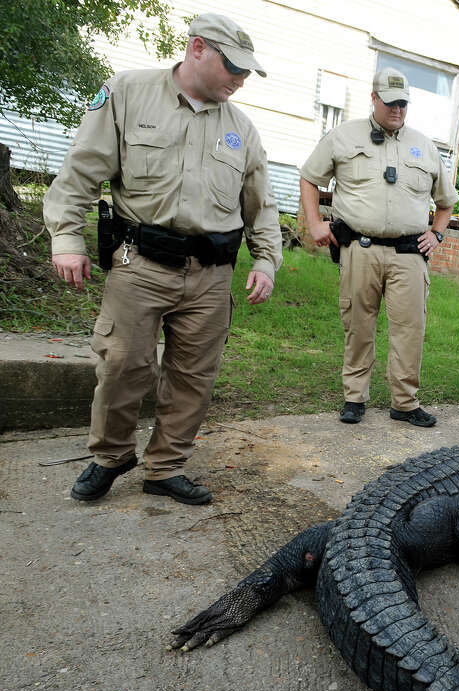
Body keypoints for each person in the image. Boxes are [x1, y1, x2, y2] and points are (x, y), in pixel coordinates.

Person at [44, 13, 282, 506]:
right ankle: (111, 457)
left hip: (211, 275)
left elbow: (262, 205)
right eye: (232, 67)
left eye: (246, 72)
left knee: (193, 377)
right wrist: (66, 239)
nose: (240, 80)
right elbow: (81, 170)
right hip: (141, 263)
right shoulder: (129, 94)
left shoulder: (242, 129)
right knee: (122, 365)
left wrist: (265, 261)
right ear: (197, 49)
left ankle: (165, 467)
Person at [300, 68, 458, 428]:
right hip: (360, 248)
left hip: (409, 254)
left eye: (403, 103)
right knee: (359, 323)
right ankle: (354, 397)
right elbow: (310, 177)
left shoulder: (425, 146)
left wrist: (437, 233)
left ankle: (405, 402)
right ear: (374, 98)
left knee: (410, 329)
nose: (397, 110)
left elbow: (446, 200)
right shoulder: (343, 137)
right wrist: (314, 223)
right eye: (390, 102)